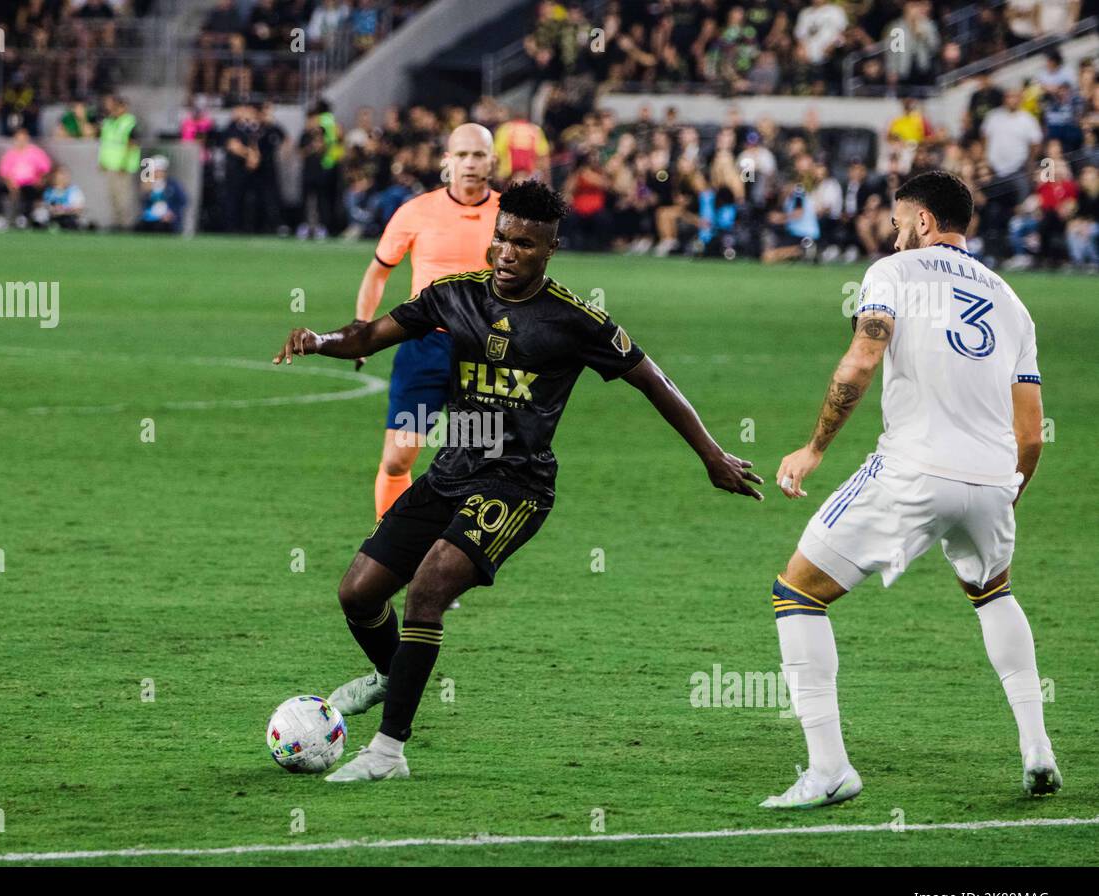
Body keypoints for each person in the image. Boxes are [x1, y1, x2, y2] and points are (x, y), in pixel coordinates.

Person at [271, 181, 764, 783]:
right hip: (452, 470)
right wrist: (319, 340)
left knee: (427, 591)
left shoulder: (576, 320)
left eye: (523, 244)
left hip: (517, 484)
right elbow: (371, 336)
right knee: (358, 593)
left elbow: (654, 381)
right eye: (500, 238)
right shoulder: (452, 297)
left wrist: (712, 456)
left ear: (549, 250)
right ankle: (390, 675)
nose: (506, 253)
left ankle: (387, 753)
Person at [765, 170, 1055, 808]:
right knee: (993, 592)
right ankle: (1037, 749)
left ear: (922, 222)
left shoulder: (892, 274)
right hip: (992, 478)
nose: (894, 237)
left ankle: (829, 768)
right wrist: (1004, 495)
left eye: (898, 224)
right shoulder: (1012, 301)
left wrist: (814, 448)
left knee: (797, 593)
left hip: (913, 470)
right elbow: (1031, 435)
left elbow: (863, 360)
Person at [356, 123, 500, 521]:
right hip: (424, 347)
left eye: (479, 155)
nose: (470, 163)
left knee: (479, 462)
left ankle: (460, 556)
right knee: (398, 458)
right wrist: (362, 327)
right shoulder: (416, 211)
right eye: (463, 155)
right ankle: (389, 549)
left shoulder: (509, 217)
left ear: (492, 161)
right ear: (447, 160)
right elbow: (378, 271)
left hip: (485, 354)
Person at [0, 127, 52, 229]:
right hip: (13, 184)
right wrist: (10, 185)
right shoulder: (10, 154)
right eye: (18, 138)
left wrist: (40, 180)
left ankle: (23, 217)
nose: (21, 141)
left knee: (30, 191)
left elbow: (45, 169)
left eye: (23, 138)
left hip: (30, 183)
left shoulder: (36, 152)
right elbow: (4, 173)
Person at [99, 94, 141, 230]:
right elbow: (105, 144)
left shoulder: (129, 122)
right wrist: (102, 161)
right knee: (113, 196)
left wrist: (125, 163)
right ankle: (116, 223)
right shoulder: (109, 122)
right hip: (110, 165)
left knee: (124, 197)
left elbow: (132, 144)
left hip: (123, 167)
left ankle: (126, 224)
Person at [135, 156, 187, 234]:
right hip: (150, 217)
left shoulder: (172, 184)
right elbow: (144, 203)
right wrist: (145, 192)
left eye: (160, 171)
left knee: (161, 227)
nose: (158, 173)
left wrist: (172, 213)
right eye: (155, 171)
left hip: (167, 218)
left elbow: (182, 200)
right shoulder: (148, 184)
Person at [37, 164, 86, 229]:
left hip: (68, 217)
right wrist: (51, 209)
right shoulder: (49, 191)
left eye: (65, 175)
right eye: (60, 174)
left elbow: (79, 209)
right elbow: (45, 205)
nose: (62, 177)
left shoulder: (73, 191)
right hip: (52, 216)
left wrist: (64, 211)